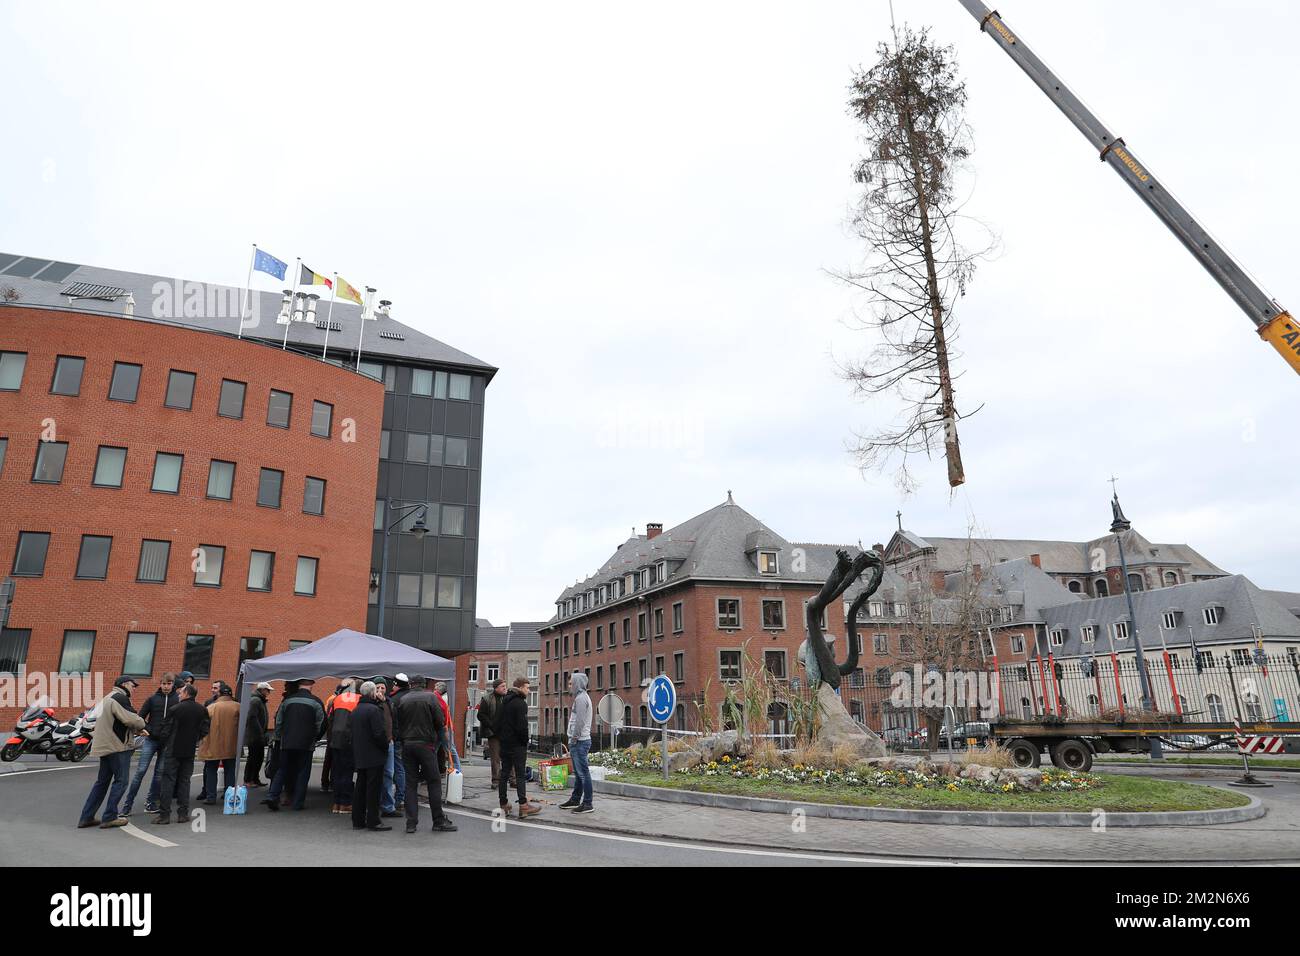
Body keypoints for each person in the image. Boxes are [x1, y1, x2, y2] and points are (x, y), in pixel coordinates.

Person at [78, 676, 147, 829]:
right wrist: (142, 725)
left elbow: (117, 721)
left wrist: (135, 730)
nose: (134, 688)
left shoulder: (107, 697)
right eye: (132, 685)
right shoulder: (119, 698)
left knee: (101, 782)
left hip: (105, 745)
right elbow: (132, 719)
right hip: (117, 746)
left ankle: (86, 817)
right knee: (121, 781)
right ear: (124, 685)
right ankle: (109, 817)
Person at [397, 674, 457, 834]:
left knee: (410, 784)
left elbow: (399, 723)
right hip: (426, 744)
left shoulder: (403, 700)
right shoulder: (430, 698)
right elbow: (440, 721)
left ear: (411, 684)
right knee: (433, 781)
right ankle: (438, 820)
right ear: (423, 684)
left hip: (408, 744)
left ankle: (411, 823)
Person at [264, 679, 324, 812]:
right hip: (306, 744)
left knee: (282, 769)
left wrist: (279, 736)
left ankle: (272, 795)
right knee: (303, 772)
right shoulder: (316, 702)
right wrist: (315, 737)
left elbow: (278, 721)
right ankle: (298, 803)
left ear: (298, 685)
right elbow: (321, 723)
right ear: (311, 686)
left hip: (287, 742)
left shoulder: (287, 701)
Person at [122, 673, 177, 816]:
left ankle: (151, 802)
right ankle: (127, 805)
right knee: (140, 771)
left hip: (167, 742)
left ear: (173, 684)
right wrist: (148, 729)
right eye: (164, 684)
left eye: (169, 684)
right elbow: (140, 717)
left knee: (159, 774)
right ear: (160, 684)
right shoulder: (152, 699)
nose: (166, 687)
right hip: (151, 739)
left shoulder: (177, 700)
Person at [154, 683, 209, 825]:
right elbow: (205, 729)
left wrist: (163, 744)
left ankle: (164, 815)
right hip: (189, 749)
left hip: (173, 749)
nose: (179, 695)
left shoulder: (175, 709)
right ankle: (183, 813)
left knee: (168, 780)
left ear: (186, 694)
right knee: (185, 781)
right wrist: (196, 739)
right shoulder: (202, 710)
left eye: (180, 693)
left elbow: (165, 730)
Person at [350, 681, 391, 831]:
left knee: (360, 788)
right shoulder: (374, 710)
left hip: (360, 754)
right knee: (373, 790)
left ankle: (357, 820)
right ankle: (373, 821)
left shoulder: (355, 710)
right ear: (373, 693)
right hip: (374, 755)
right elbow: (379, 733)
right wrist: (385, 747)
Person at [497, 677, 539, 818]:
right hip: (517, 745)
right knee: (520, 775)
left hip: (504, 744)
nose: (528, 690)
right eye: (527, 687)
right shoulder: (520, 704)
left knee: (504, 774)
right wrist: (524, 741)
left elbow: (498, 723)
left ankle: (503, 803)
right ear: (520, 688)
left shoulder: (504, 701)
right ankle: (523, 805)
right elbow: (522, 727)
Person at [198, 683, 239, 804]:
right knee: (230, 770)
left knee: (211, 770)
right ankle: (229, 795)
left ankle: (211, 797)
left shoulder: (212, 707)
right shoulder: (238, 707)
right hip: (232, 743)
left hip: (212, 744)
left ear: (220, 694)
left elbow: (202, 723)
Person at [560, 672, 594, 813]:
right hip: (579, 741)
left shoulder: (581, 699)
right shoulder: (581, 697)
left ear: (577, 684)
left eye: (570, 683)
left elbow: (579, 721)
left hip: (580, 741)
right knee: (579, 773)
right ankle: (575, 799)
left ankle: (587, 803)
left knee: (583, 773)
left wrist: (573, 739)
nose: (569, 686)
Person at [326, 679, 360, 813]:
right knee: (347, 772)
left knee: (337, 772)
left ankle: (336, 803)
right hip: (349, 740)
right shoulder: (359, 699)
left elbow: (330, 718)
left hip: (335, 739)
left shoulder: (337, 699)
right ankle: (345, 803)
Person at [374, 679, 402, 819]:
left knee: (389, 775)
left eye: (382, 687)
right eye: (377, 687)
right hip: (376, 745)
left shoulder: (390, 702)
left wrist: (394, 737)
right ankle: (375, 804)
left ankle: (388, 807)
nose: (380, 690)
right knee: (376, 774)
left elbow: (394, 721)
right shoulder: (373, 702)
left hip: (389, 743)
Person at [477, 678, 511, 788]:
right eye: (502, 686)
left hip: (506, 733)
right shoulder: (487, 699)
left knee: (509, 756)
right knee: (495, 758)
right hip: (493, 733)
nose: (505, 688)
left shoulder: (508, 698)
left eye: (505, 686)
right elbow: (481, 715)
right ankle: (496, 780)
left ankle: (512, 779)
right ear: (496, 688)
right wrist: (491, 725)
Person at [390, 674, 411, 813]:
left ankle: (400, 798)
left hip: (398, 738)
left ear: (397, 684)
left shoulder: (394, 699)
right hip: (412, 738)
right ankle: (407, 797)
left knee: (398, 769)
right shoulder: (412, 697)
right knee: (408, 768)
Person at [244, 682, 272, 787]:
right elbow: (252, 717)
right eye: (268, 690)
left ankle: (255, 778)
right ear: (263, 690)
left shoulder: (259, 700)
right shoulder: (256, 700)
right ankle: (248, 779)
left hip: (258, 734)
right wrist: (260, 733)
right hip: (254, 735)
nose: (269, 692)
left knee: (258, 758)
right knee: (253, 758)